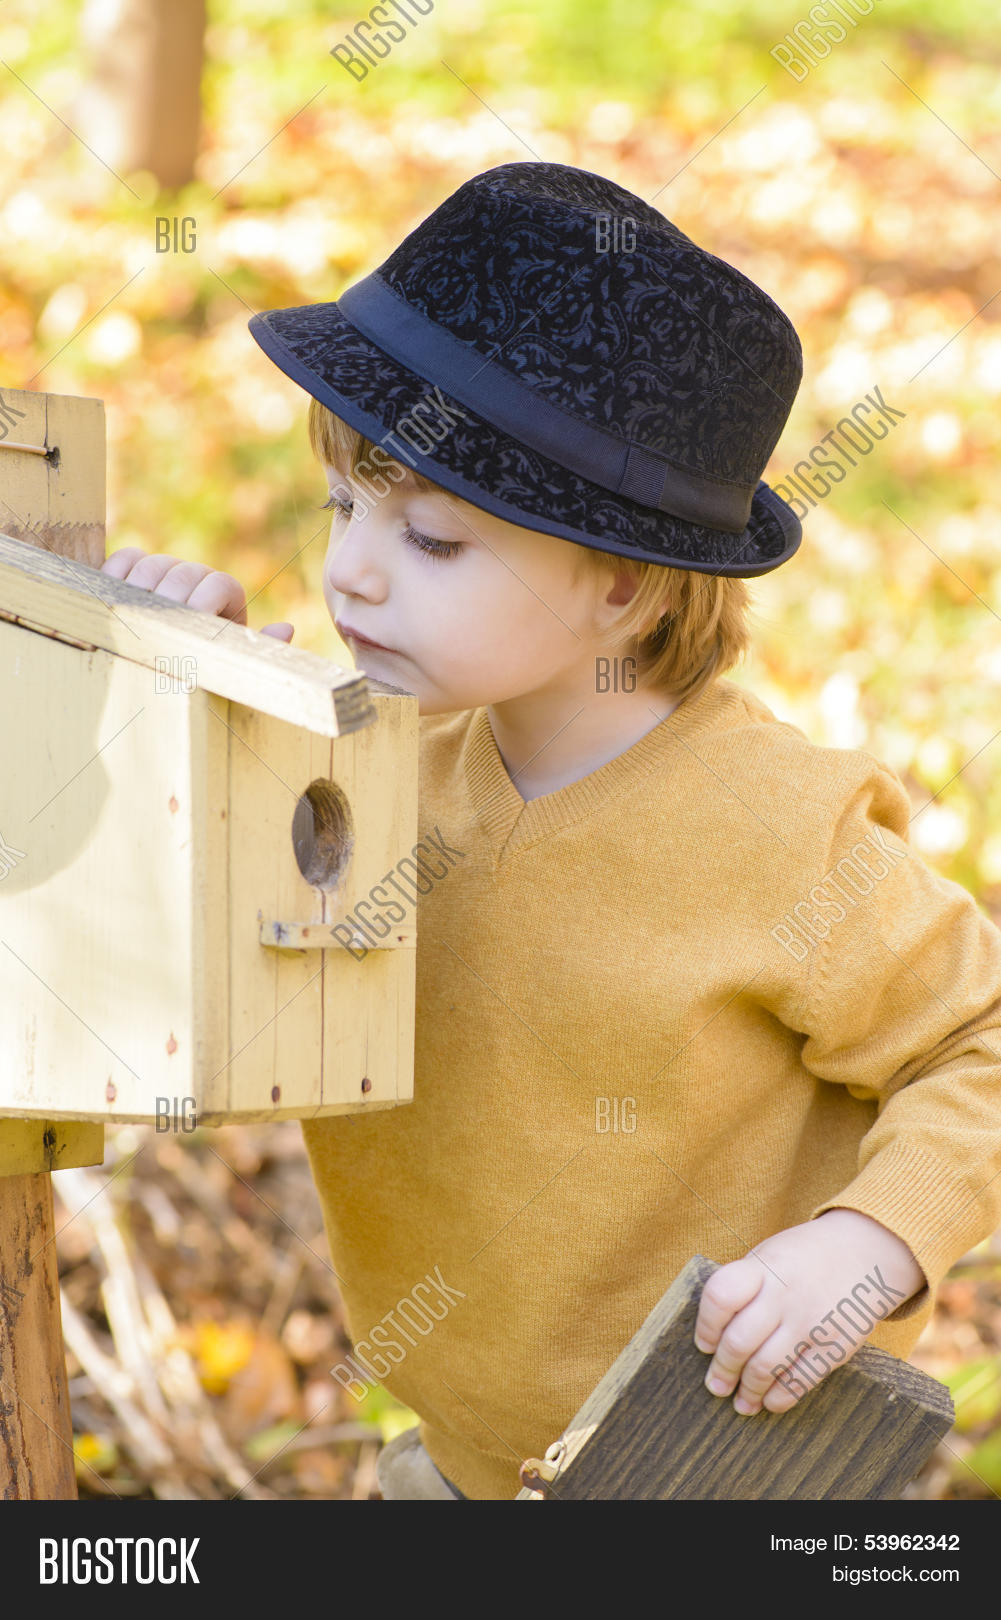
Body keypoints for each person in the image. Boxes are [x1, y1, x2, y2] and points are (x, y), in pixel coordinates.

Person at [102, 161, 1001, 1501]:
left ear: (624, 589)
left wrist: (870, 1241)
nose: (349, 566)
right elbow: (187, 960)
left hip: (709, 1472)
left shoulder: (776, 832)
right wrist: (186, 699)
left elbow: (974, 1042)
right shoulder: (367, 758)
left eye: (433, 541)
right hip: (457, 1469)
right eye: (345, 504)